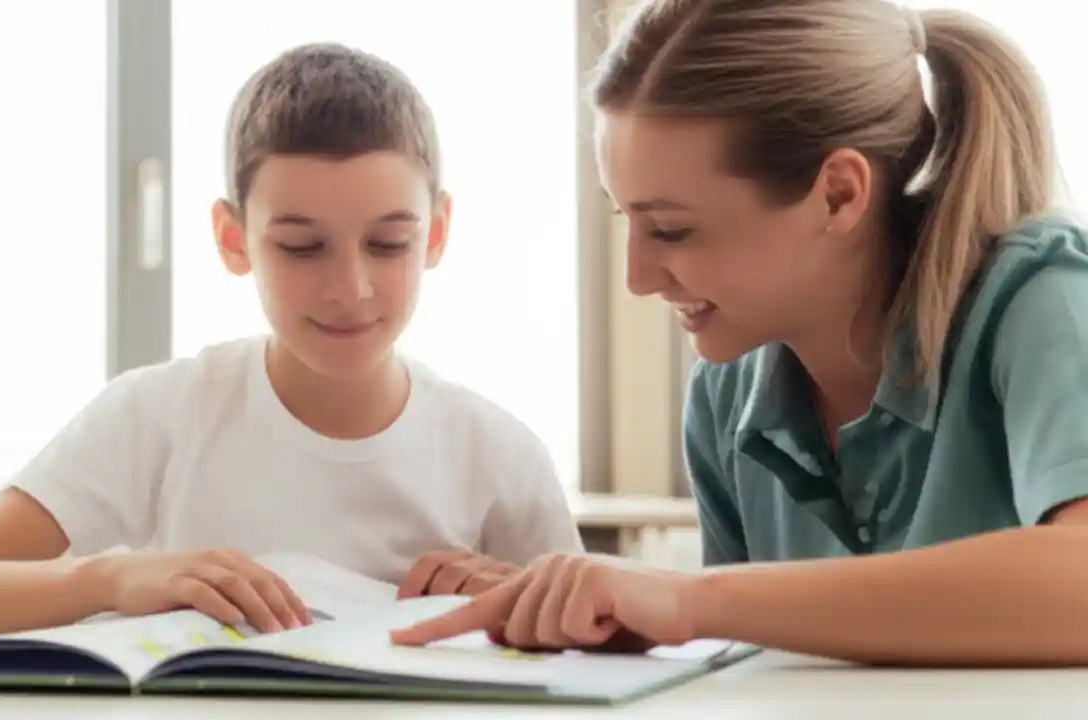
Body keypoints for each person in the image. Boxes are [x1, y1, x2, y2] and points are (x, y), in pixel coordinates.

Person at [392, 0, 1088, 665]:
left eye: (671, 229)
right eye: (622, 219)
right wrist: (597, 614)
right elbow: (750, 664)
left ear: (839, 194)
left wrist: (688, 601)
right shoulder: (726, 393)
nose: (637, 277)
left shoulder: (1043, 303)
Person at [0, 43, 581, 652]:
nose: (350, 287)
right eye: (302, 247)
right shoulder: (159, 415)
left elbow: (609, 650)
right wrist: (115, 579)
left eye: (388, 243)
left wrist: (533, 604)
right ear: (233, 239)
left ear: (435, 234)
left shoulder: (498, 455)